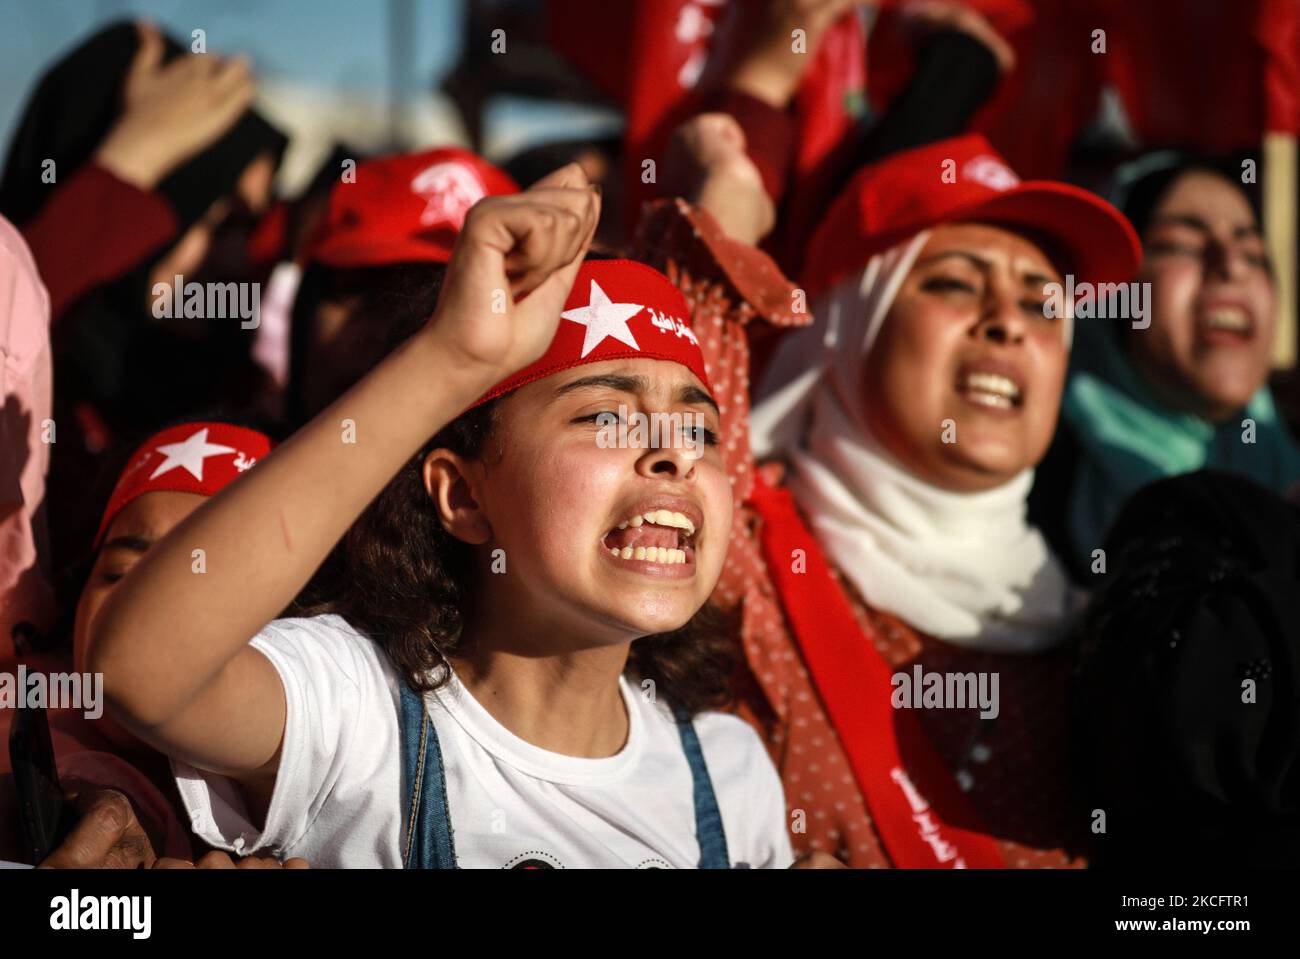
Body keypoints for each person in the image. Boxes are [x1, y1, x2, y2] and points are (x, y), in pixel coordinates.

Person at [86, 166, 797, 869]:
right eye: (607, 416)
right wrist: (452, 360)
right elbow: (140, 667)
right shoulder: (357, 716)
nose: (674, 454)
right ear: (462, 496)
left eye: (700, 431)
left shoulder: (733, 775)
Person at [723, 133, 1141, 866]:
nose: (1009, 322)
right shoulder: (730, 564)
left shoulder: (1110, 638)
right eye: (953, 282)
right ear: (847, 325)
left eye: (1044, 304)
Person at [1030, 154, 1300, 577]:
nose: (1230, 266)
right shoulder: (1027, 479)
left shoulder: (1287, 460)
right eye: (1181, 244)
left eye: (1253, 253)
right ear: (1112, 294)